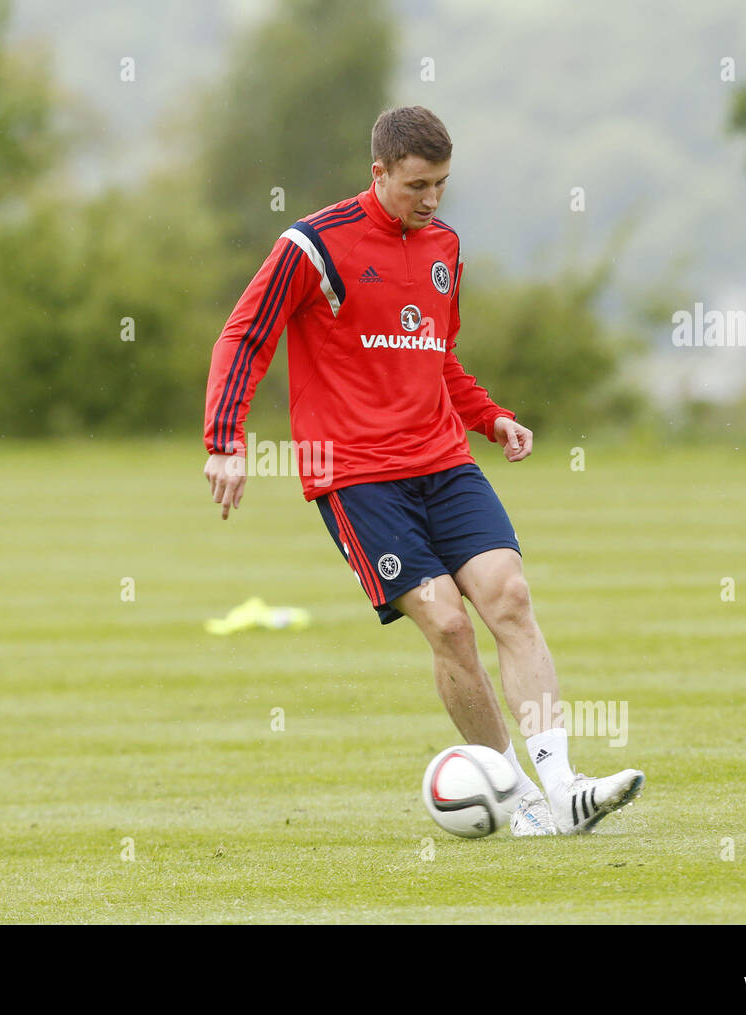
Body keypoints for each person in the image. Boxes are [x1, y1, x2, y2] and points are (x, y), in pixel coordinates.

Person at [202, 105, 643, 835]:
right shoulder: (312, 246)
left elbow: (435, 358)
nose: (430, 198)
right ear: (378, 172)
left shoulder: (444, 246)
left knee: (509, 596)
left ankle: (563, 787)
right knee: (447, 622)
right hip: (357, 477)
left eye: (441, 183)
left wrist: (491, 416)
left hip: (443, 460)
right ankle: (518, 801)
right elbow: (244, 336)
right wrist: (225, 437)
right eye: (415, 184)